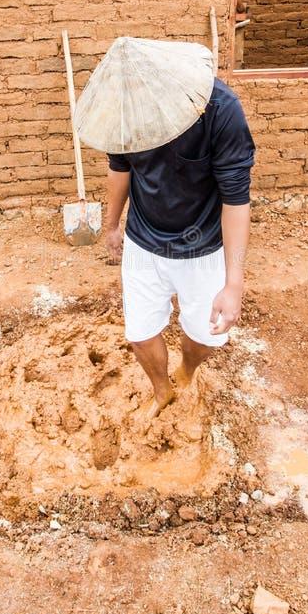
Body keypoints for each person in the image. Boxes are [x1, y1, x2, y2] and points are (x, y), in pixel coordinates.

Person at [104, 78, 255, 421]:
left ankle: (187, 371)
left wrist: (234, 284)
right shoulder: (125, 109)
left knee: (206, 336)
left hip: (203, 248)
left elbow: (236, 199)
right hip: (143, 243)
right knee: (140, 333)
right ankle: (162, 389)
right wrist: (112, 226)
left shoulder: (220, 109)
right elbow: (120, 169)